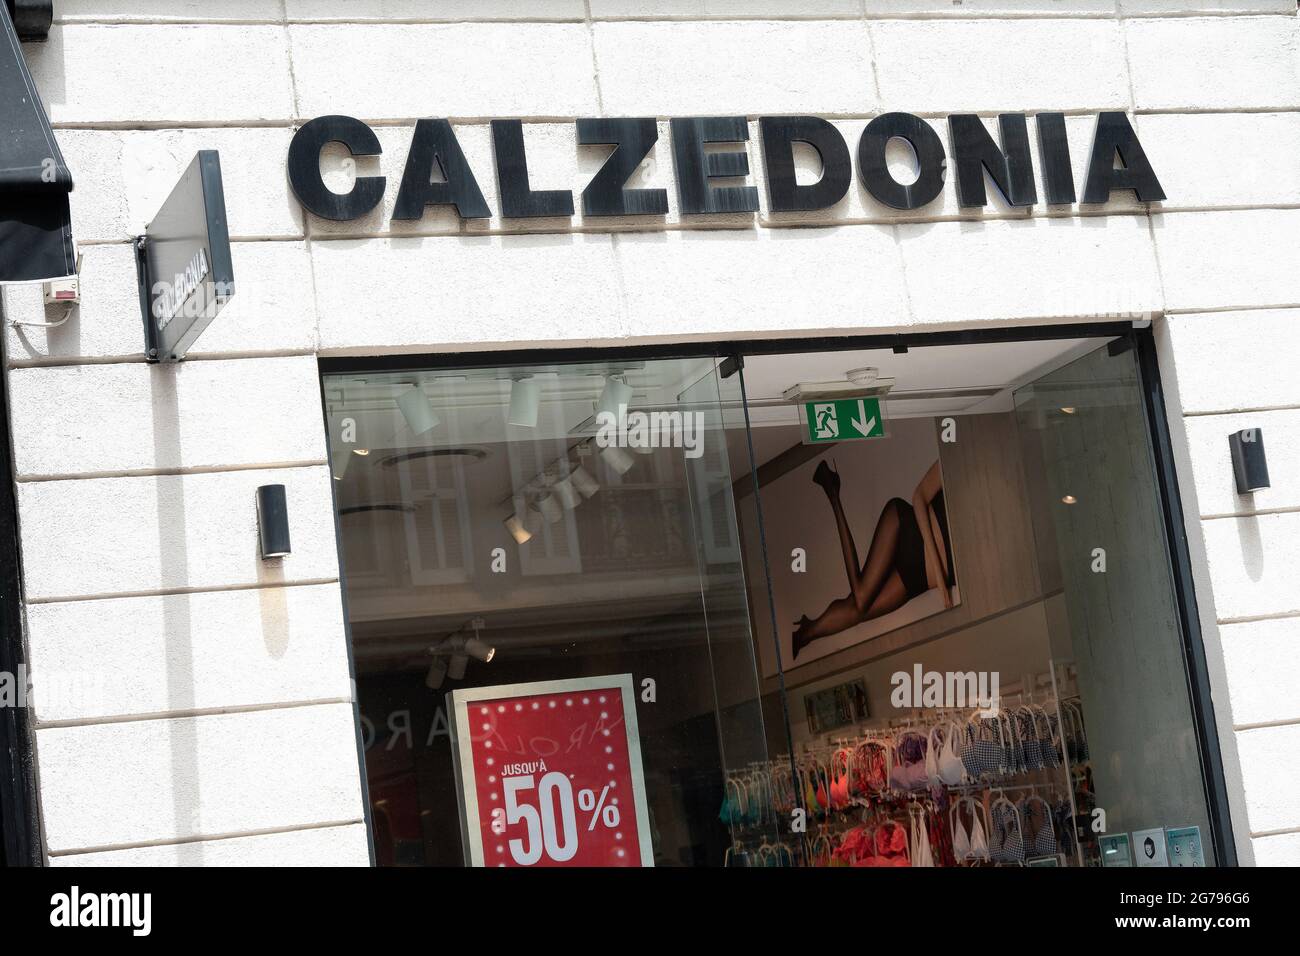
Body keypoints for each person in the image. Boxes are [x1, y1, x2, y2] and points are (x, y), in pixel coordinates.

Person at [792, 457, 955, 658]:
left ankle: (806, 632)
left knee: (857, 611)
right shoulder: (958, 459)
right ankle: (833, 492)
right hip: (905, 530)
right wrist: (940, 577)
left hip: (916, 580)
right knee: (861, 600)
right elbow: (919, 497)